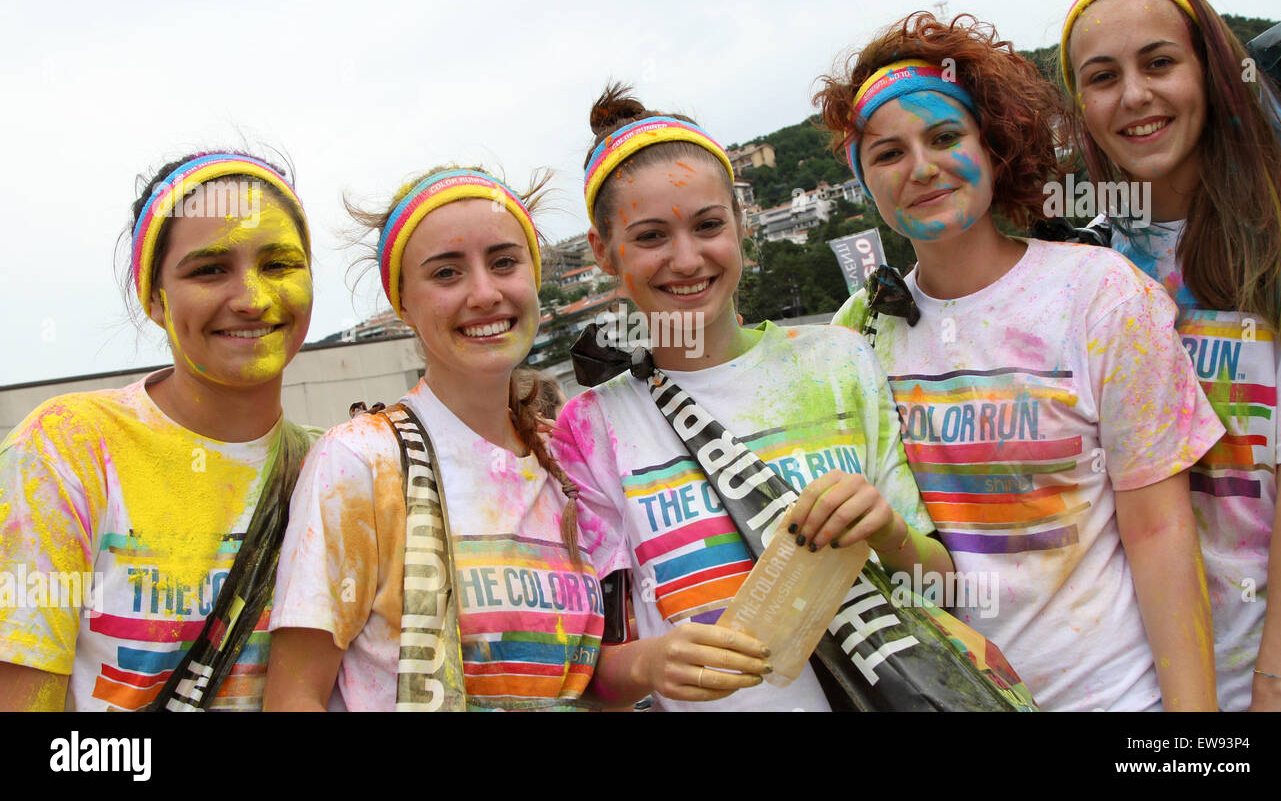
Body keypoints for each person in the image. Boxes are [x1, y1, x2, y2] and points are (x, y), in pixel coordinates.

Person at [818, 12, 1225, 711]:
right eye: (887, 154)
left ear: (994, 144)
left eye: (946, 137)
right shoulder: (858, 332)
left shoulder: (1099, 294)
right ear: (865, 180)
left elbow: (1161, 533)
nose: (921, 168)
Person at [551, 84, 954, 712]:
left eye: (708, 225)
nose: (687, 259)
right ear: (604, 252)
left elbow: (944, 588)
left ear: (741, 224)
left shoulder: (839, 361)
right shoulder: (588, 428)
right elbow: (586, 678)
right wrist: (650, 664)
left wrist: (888, 530)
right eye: (652, 236)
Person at [264, 167, 604, 711]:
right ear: (402, 304)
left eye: (504, 262)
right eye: (446, 273)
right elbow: (296, 695)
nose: (485, 293)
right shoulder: (361, 459)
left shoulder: (573, 458)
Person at [1059, 0, 1281, 711]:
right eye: (1102, 77)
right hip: (1144, 686)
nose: (1135, 95)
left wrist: (1278, 681)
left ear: (1214, 72)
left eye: (1160, 62)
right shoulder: (1079, 273)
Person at [0, 151, 316, 711]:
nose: (252, 299)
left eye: (278, 264)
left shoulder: (338, 469)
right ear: (154, 298)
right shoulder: (66, 447)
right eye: (209, 269)